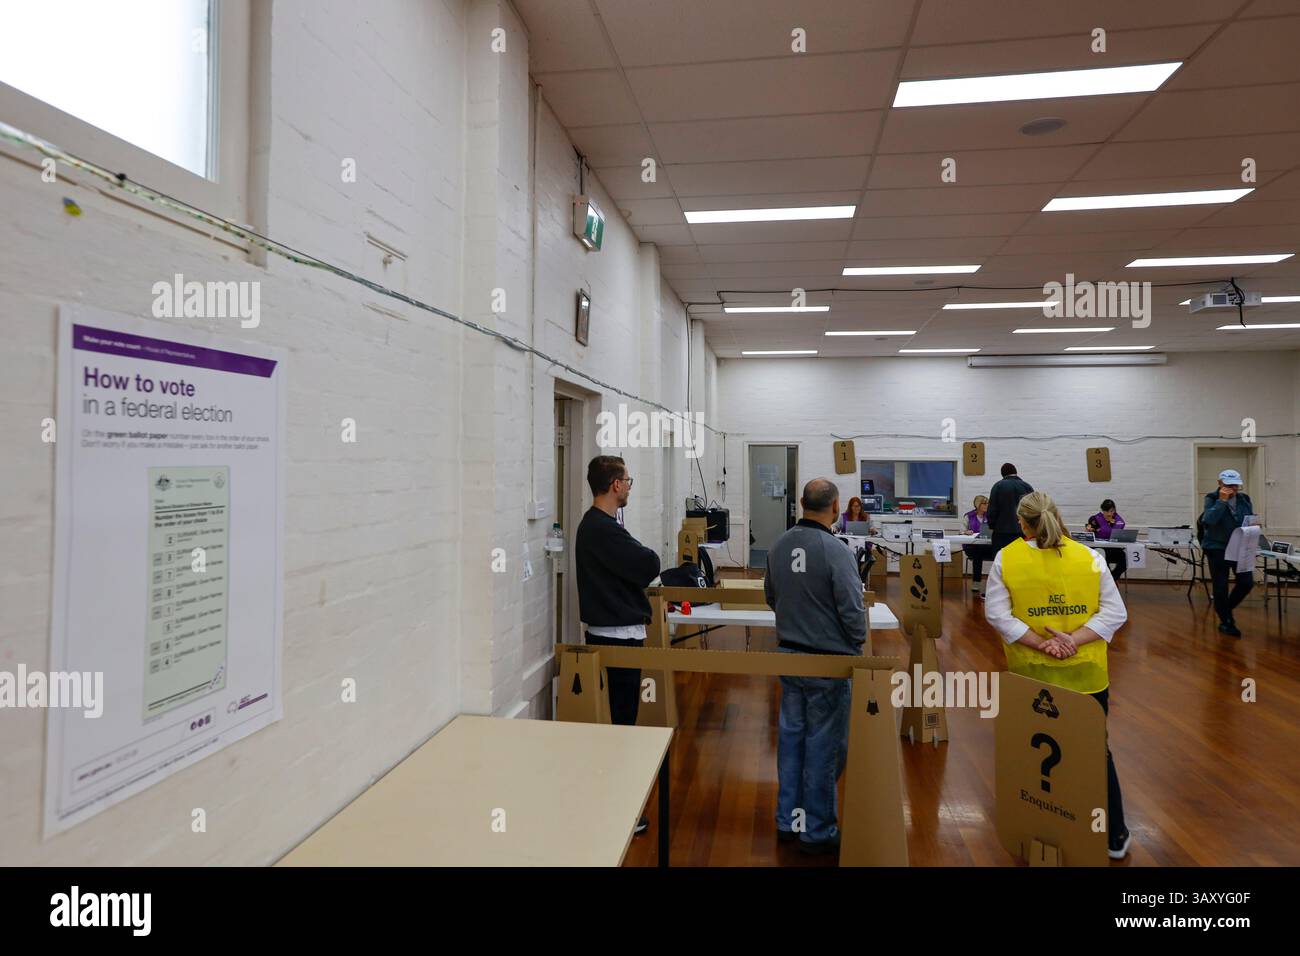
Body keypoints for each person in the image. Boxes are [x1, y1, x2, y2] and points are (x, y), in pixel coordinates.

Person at [984, 491, 1132, 860]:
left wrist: (1041, 644)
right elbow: (1115, 614)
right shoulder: (1090, 558)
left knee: (1034, 751)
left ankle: (1041, 828)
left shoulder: (1007, 558)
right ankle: (1115, 836)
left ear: (1022, 522)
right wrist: (1073, 641)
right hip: (1087, 675)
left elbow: (998, 615)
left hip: (1031, 677)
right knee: (1097, 752)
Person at [763, 478, 865, 854]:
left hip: (789, 656)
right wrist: (856, 642)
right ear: (836, 507)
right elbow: (852, 609)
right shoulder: (835, 550)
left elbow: (771, 596)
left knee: (790, 741)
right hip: (828, 661)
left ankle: (788, 820)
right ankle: (818, 829)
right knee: (824, 747)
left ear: (802, 503)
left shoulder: (777, 545)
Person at [575, 455, 661, 832]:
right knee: (623, 723)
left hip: (617, 631)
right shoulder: (601, 529)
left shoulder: (603, 526)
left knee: (623, 719)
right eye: (628, 480)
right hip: (616, 635)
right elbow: (647, 565)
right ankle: (619, 807)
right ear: (615, 485)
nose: (629, 486)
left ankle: (613, 800)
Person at [1201, 469, 1256, 638]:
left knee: (1246, 582)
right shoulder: (1211, 498)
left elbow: (1249, 520)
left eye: (1235, 486)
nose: (1232, 489)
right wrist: (1222, 502)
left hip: (1241, 546)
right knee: (1220, 585)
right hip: (1217, 547)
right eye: (1228, 485)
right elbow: (1208, 520)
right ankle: (1226, 621)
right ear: (1220, 483)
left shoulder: (1244, 499)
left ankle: (1225, 609)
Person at [985, 462, 1033, 558]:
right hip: (1023, 533)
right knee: (1021, 561)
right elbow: (1033, 509)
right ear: (1015, 472)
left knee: (1002, 561)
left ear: (1003, 474)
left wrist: (992, 525)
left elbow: (992, 511)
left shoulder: (998, 486)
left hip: (1002, 533)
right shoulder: (1027, 487)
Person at [1086, 499, 1128, 581]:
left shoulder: (1119, 521)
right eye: (1106, 511)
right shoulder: (1094, 520)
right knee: (1103, 559)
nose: (1109, 514)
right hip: (1099, 549)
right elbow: (1088, 533)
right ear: (1102, 511)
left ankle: (1111, 580)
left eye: (1111, 511)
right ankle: (1107, 582)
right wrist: (1088, 531)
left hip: (1113, 549)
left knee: (1124, 560)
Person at [963, 494, 993, 596]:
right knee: (977, 552)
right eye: (984, 503)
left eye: (988, 503)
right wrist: (966, 532)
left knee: (1000, 551)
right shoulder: (968, 516)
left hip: (987, 546)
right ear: (978, 505)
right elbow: (961, 530)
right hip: (972, 547)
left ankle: (997, 582)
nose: (987, 505)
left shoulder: (990, 516)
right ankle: (976, 581)